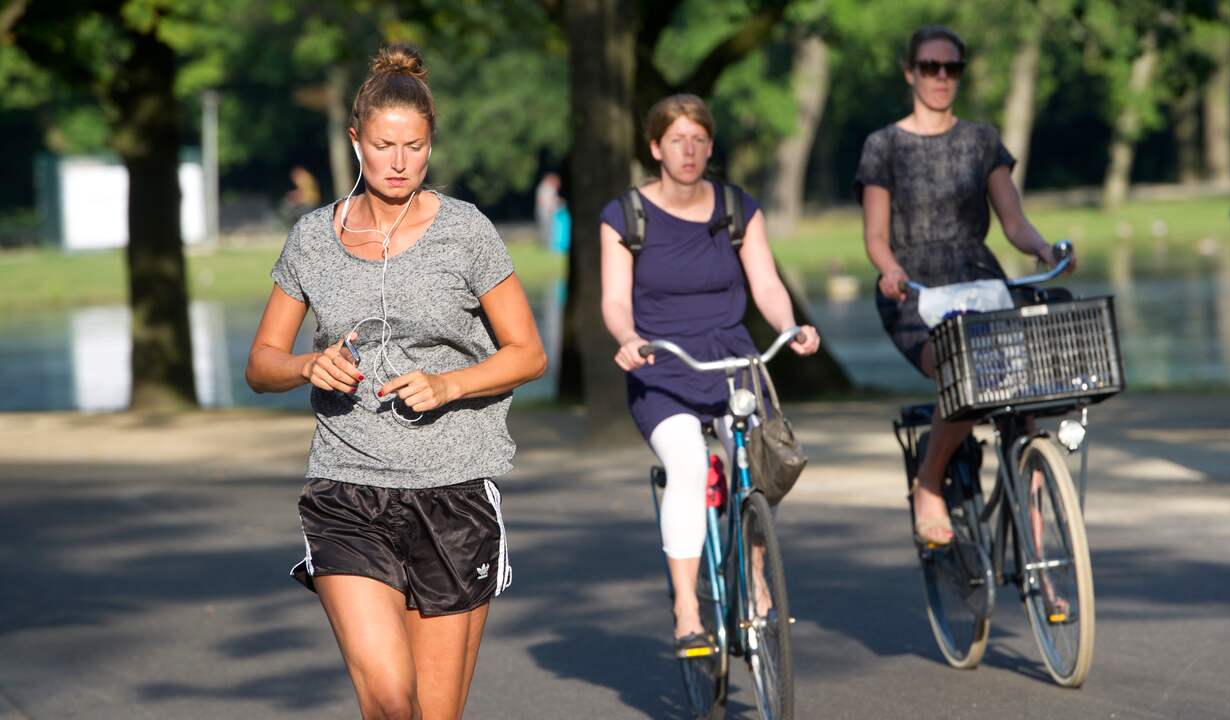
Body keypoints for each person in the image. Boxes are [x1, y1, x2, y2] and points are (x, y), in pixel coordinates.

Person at [245, 44, 545, 720]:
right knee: (386, 699)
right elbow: (262, 361)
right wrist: (303, 365)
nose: (400, 161)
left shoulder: (466, 231)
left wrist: (449, 385)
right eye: (384, 145)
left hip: (454, 495)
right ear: (357, 141)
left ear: (430, 145)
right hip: (346, 490)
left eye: (415, 146)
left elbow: (527, 353)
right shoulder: (311, 239)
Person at [599, 94, 820, 653]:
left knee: (765, 463)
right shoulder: (626, 216)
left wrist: (790, 327)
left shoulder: (737, 208)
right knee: (690, 464)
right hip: (663, 366)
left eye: (699, 140)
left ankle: (755, 572)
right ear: (656, 148)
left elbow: (767, 285)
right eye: (677, 140)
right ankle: (687, 610)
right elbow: (614, 301)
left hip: (732, 359)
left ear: (710, 147)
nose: (689, 150)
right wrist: (628, 339)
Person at [856, 25, 1074, 546]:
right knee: (965, 378)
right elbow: (875, 235)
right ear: (910, 73)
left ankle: (1042, 558)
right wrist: (891, 270)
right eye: (929, 67)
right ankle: (929, 482)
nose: (940, 78)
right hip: (915, 290)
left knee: (1027, 404)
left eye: (950, 68)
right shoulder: (883, 146)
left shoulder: (980, 140)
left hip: (979, 281)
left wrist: (1046, 251)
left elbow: (1014, 223)